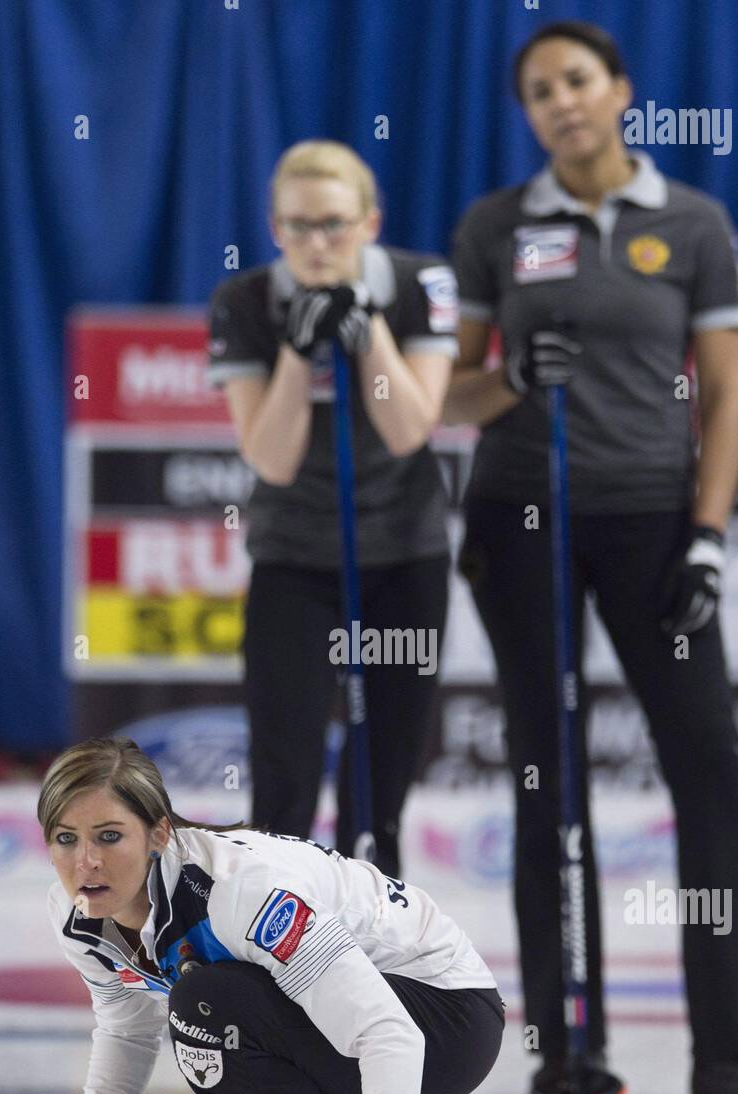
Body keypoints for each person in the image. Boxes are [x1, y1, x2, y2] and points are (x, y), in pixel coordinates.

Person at [444, 20, 738, 1094]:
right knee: (544, 770)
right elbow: (447, 397)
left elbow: (725, 400)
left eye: (575, 80)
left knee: (706, 756)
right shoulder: (496, 226)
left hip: (654, 521)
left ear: (620, 90)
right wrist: (510, 372)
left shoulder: (693, 224)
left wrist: (706, 534)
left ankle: (736, 1046)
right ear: (528, 115)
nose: (559, 101)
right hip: (523, 517)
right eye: (537, 91)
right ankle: (567, 1047)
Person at [0, 737, 572, 1094]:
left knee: (207, 1004)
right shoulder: (77, 915)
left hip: (442, 1019)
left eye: (109, 836)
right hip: (319, 1032)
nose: (84, 862)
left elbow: (386, 1032)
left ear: (159, 833)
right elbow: (126, 1031)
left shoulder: (240, 893)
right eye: (66, 839)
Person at [207, 140, 459, 876]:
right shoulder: (244, 302)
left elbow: (410, 427)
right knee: (282, 771)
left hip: (405, 552)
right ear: (274, 227)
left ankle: (373, 940)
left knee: (381, 774)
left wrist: (367, 327)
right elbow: (272, 458)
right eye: (298, 227)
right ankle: (272, 949)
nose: (317, 244)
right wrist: (296, 349)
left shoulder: (422, 283)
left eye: (334, 225)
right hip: (293, 555)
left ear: (370, 222)